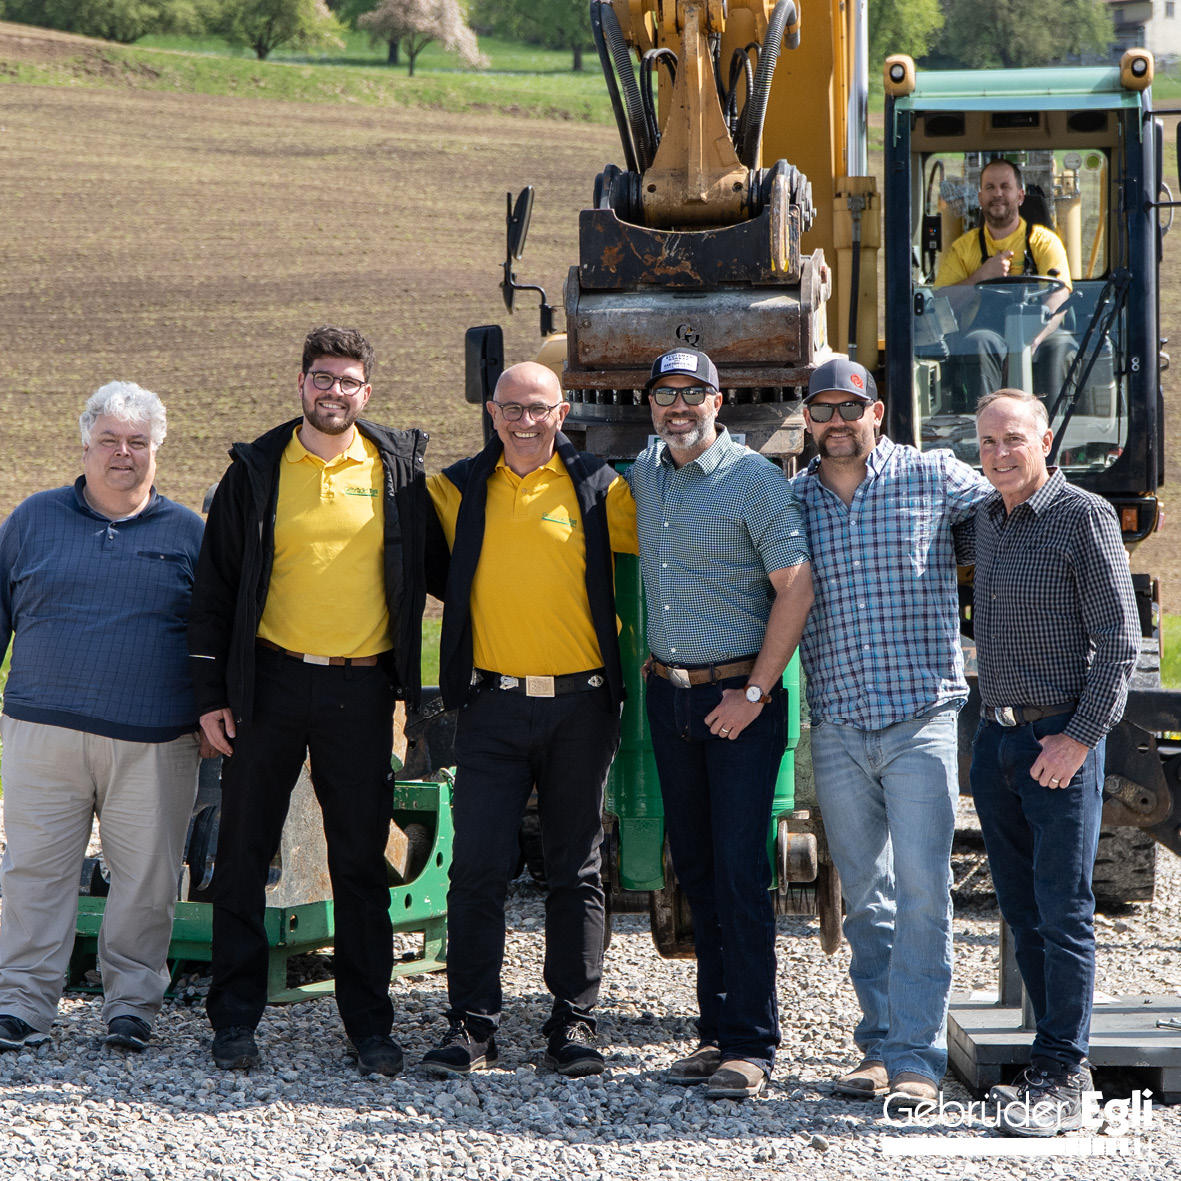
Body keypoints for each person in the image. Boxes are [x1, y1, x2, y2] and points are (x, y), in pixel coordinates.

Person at [189, 325, 428, 1076]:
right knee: (241, 856)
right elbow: (213, 591)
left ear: (367, 390)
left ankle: (370, 1027)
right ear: (300, 384)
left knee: (358, 862)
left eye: (347, 381)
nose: (333, 392)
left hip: (362, 689)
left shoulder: (399, 473)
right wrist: (210, 696)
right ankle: (232, 1020)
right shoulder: (257, 470)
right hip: (269, 682)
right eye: (321, 378)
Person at [420, 361, 636, 1078]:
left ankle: (572, 1023)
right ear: (490, 410)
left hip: (581, 706)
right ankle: (471, 1024)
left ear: (562, 410)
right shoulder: (455, 490)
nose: (522, 419)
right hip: (492, 706)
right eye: (509, 407)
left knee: (574, 868)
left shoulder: (605, 491)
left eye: (536, 407)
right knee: (477, 866)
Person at [791, 357, 992, 1106]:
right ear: (808, 420)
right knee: (867, 895)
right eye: (823, 409)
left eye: (851, 408)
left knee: (922, 890)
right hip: (839, 723)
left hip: (921, 720)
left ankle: (915, 1057)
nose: (837, 422)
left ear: (877, 412)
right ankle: (878, 1044)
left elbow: (1017, 502)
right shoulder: (793, 501)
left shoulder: (932, 475)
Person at [629, 347, 812, 1101]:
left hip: (736, 698)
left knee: (739, 873)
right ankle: (712, 1032)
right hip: (668, 699)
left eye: (692, 393)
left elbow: (795, 590)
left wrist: (757, 691)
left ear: (719, 399)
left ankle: (751, 1045)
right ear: (651, 407)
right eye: (665, 395)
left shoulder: (755, 482)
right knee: (695, 867)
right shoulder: (648, 470)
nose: (678, 407)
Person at [0, 382, 204, 1053]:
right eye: (110, 440)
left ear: (157, 451)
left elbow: (215, 636)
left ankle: (132, 1006)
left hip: (153, 740)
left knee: (145, 879)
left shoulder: (189, 536)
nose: (123, 454)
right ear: (85, 443)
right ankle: (23, 1005)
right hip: (41, 733)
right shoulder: (32, 519)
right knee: (33, 871)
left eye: (137, 442)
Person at [966, 389, 1138, 1137]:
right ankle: (1048, 1062)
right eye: (987, 444)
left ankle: (1065, 1077)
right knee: (1020, 909)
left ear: (1044, 442)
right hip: (995, 742)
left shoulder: (1083, 517)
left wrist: (1078, 740)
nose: (1000, 454)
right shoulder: (986, 519)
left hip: (1056, 744)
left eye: (1013, 440)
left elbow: (1121, 643)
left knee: (1063, 912)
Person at [934, 158, 1073, 408]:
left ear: (1020, 196)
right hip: (989, 335)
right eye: (990, 187)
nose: (997, 194)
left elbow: (1059, 295)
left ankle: (1053, 431)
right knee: (978, 343)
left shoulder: (1044, 242)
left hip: (1040, 334)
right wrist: (980, 277)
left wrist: (1033, 340)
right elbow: (942, 302)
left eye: (1005, 187)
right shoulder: (963, 249)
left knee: (1060, 347)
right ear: (979, 197)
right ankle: (988, 426)